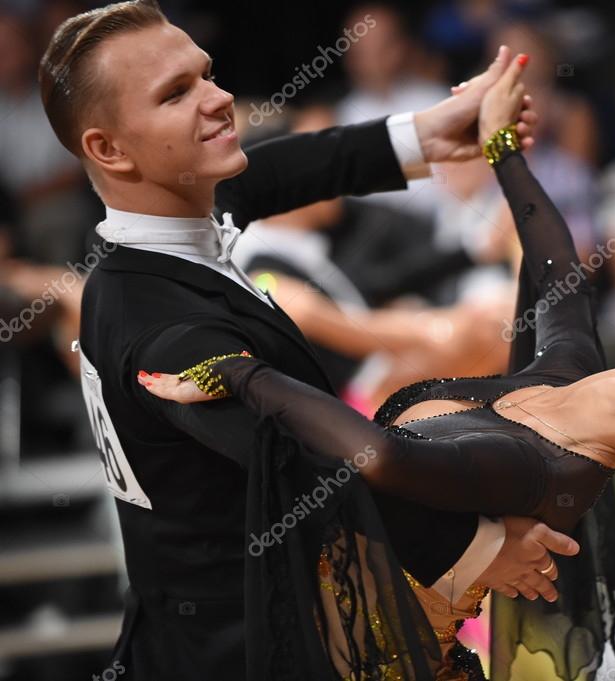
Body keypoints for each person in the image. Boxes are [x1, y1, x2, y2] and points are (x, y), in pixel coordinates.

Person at [142, 54, 615, 681]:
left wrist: (237, 373)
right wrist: (500, 140)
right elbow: (556, 261)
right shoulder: (562, 373)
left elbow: (378, 458)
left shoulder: (549, 475)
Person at [39, 2, 567, 680]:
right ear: (108, 149)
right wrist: (474, 544)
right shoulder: (163, 331)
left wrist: (429, 134)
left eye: (206, 75)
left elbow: (281, 169)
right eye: (176, 93)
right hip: (238, 652)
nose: (219, 99)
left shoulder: (153, 219)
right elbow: (310, 458)